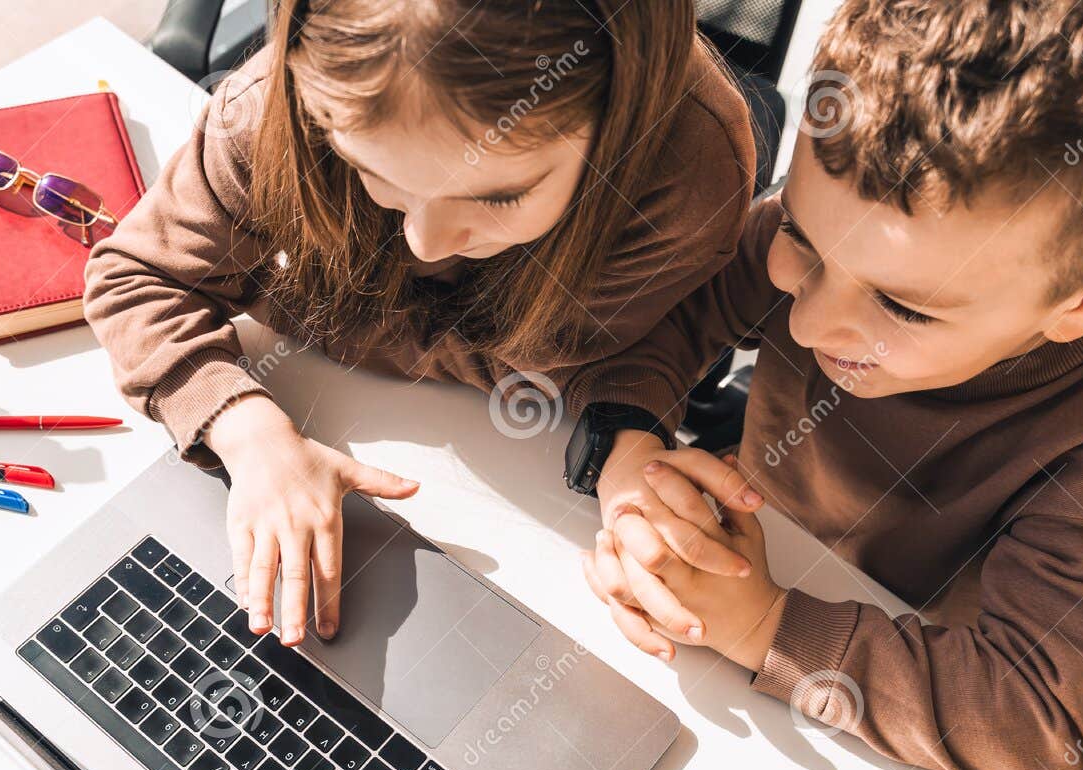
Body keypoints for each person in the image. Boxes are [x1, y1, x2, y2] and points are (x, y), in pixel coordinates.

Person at [585, 0, 1083, 770]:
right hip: (769, 553)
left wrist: (765, 625)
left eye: (902, 308)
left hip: (901, 714)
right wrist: (630, 457)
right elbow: (669, 311)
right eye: (800, 238)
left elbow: (1043, 717)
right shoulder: (856, 227)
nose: (807, 318)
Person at [86, 0, 757, 646]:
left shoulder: (688, 175)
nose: (425, 242)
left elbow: (640, 334)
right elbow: (137, 277)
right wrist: (248, 433)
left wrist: (624, 438)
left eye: (498, 195)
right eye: (368, 169)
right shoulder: (269, 111)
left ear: (621, 121)